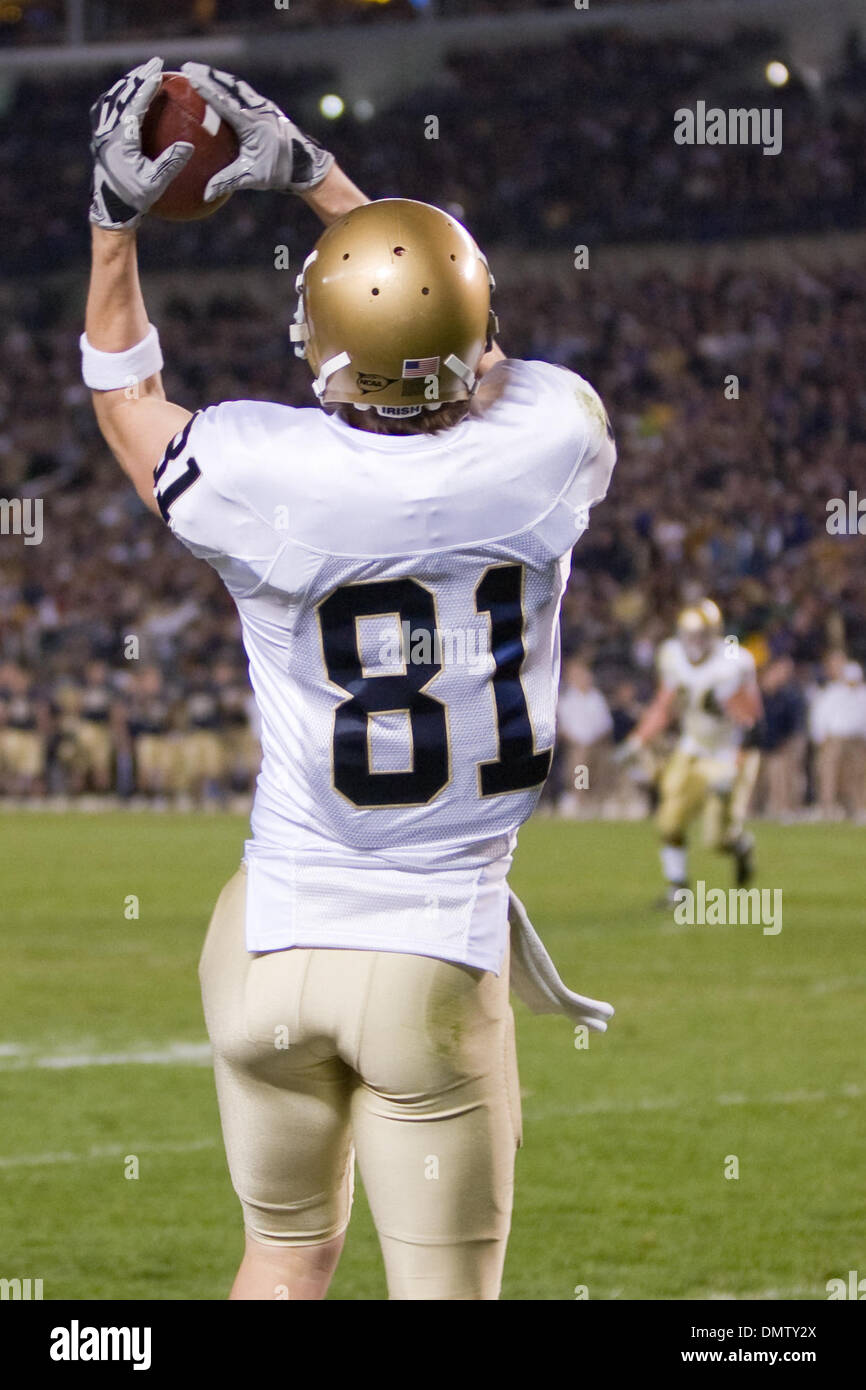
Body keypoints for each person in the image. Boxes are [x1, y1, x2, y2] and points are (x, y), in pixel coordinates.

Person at [83, 58, 616, 1301]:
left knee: (282, 1258)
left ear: (315, 346)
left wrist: (114, 226)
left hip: (268, 946)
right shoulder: (548, 449)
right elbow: (468, 342)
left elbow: (125, 397)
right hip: (430, 955)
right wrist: (325, 183)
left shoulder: (261, 471)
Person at [617, 600, 762, 907]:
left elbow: (752, 724)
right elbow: (665, 704)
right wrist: (638, 740)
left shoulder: (733, 662)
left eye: (700, 635)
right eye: (689, 635)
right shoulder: (672, 655)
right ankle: (678, 890)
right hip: (692, 746)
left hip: (728, 752)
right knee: (669, 819)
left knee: (716, 839)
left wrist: (735, 767)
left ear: (715, 633)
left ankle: (741, 845)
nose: (694, 643)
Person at [809, 653, 866, 820]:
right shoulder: (833, 692)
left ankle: (859, 807)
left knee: (858, 775)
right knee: (828, 774)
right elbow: (820, 716)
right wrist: (820, 738)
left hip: (857, 739)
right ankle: (828, 807)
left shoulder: (863, 694)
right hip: (834, 738)